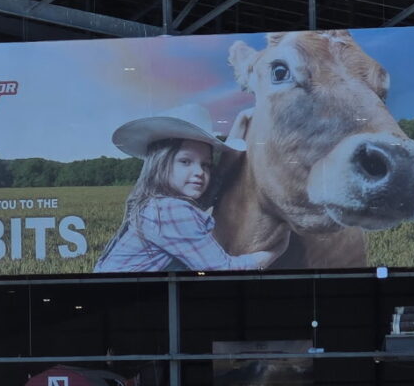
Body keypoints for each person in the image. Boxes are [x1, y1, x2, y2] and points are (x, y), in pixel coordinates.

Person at [94, 107, 282, 272]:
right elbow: (223, 268)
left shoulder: (158, 203)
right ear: (160, 164)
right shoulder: (170, 209)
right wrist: (273, 252)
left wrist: (241, 118)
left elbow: (219, 176)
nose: (199, 172)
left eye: (206, 165)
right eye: (185, 162)